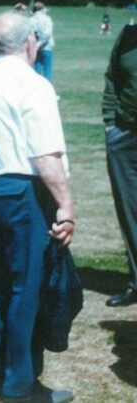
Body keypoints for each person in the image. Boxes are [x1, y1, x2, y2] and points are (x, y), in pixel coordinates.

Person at [0, 11, 75, 403]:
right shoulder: (34, 86)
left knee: (0, 280)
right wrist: (66, 205)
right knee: (28, 288)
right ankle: (20, 384)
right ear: (30, 44)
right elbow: (46, 157)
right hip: (22, 192)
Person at [103, 22, 137, 307]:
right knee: (131, 212)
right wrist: (110, 124)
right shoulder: (127, 36)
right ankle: (136, 282)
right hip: (124, 135)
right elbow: (112, 78)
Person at [31, 2, 55, 80]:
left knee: (37, 69)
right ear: (42, 9)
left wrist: (36, 44)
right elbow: (47, 33)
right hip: (47, 46)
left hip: (35, 47)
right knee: (47, 70)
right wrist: (40, 43)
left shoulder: (31, 20)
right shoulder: (47, 19)